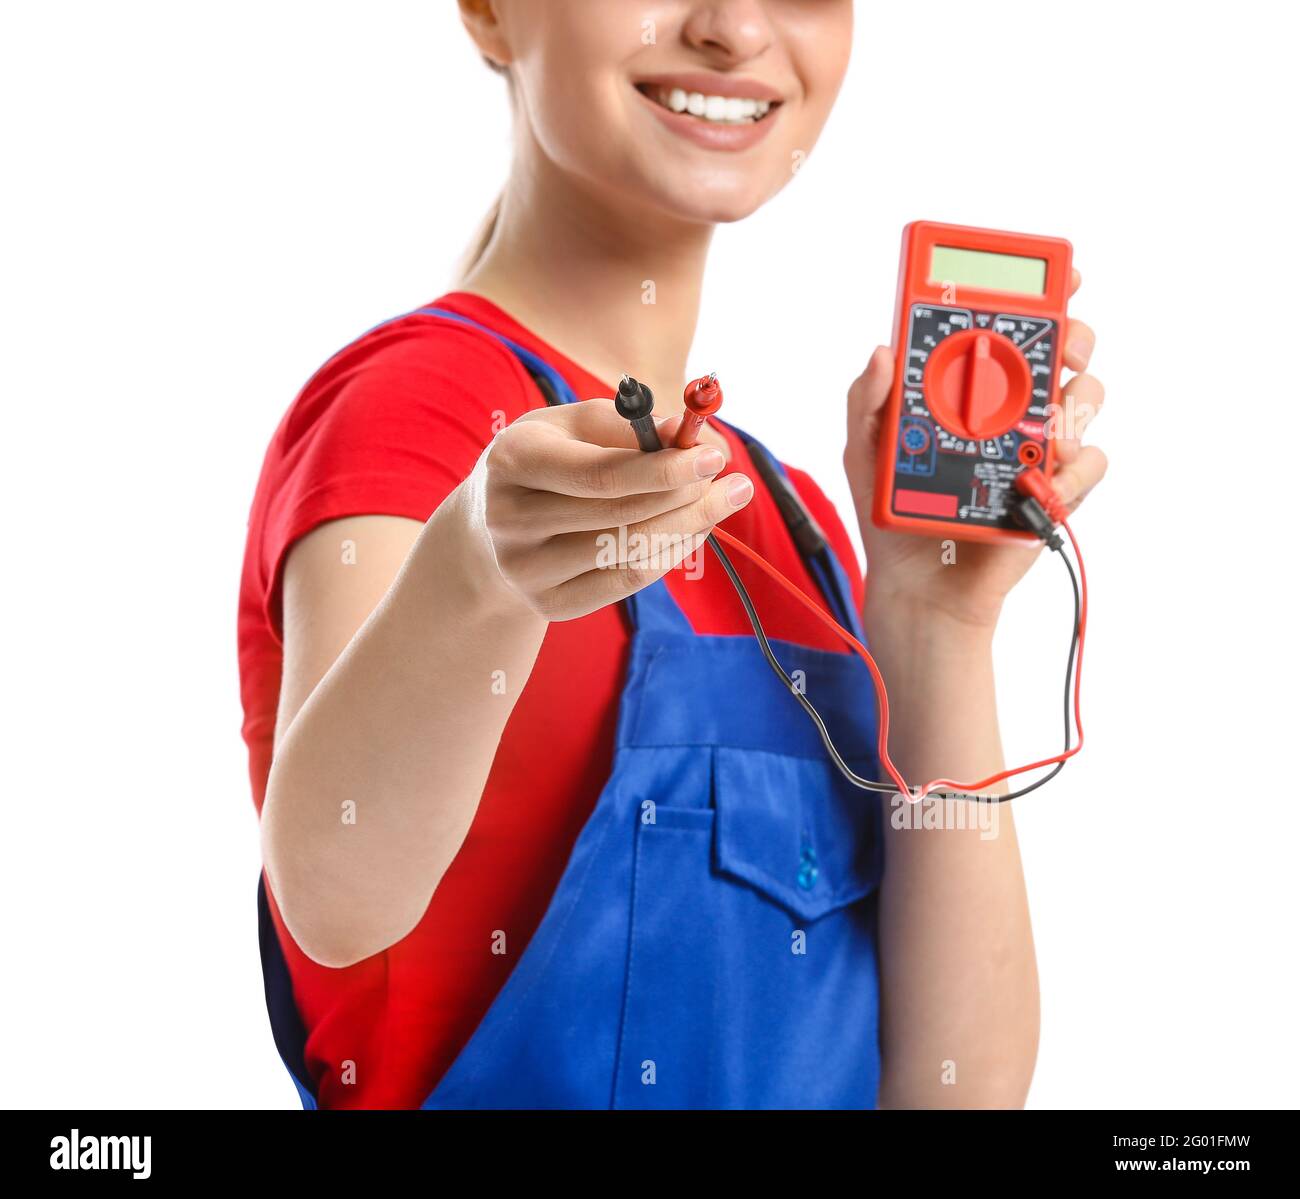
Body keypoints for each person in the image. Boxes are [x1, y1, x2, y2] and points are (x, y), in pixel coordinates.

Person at [238, 0, 1108, 1110]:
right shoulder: (418, 410)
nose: (735, 28)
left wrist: (937, 623)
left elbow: (957, 1089)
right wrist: (478, 573)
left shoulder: (792, 519)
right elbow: (332, 891)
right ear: (491, 14)